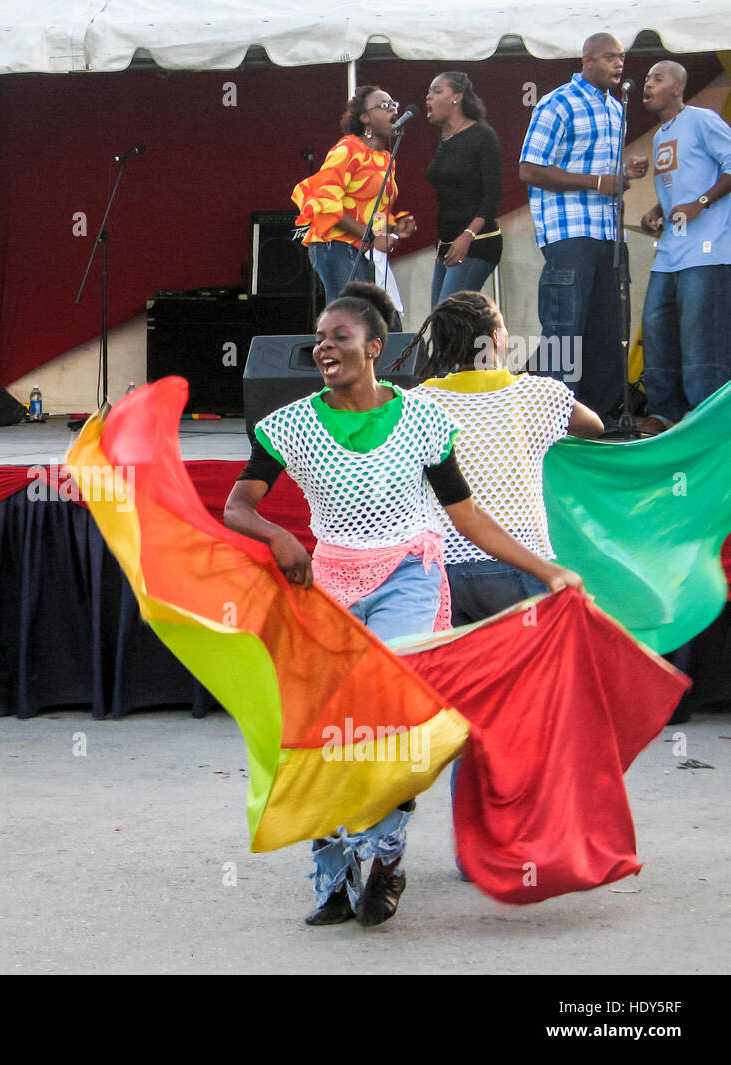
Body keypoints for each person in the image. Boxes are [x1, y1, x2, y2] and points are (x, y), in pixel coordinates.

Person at [223, 282, 583, 928]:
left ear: (374, 348)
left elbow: (467, 517)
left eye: (340, 336)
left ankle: (386, 861)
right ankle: (332, 871)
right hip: (330, 584)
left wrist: (546, 569)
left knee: (391, 721)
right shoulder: (293, 425)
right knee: (326, 729)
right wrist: (279, 536)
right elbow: (238, 505)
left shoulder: (423, 421)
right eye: (321, 337)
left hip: (411, 580)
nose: (325, 346)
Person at [401, 291, 604, 625]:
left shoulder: (418, 403)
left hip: (442, 568)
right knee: (534, 669)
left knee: (465, 674)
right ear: (496, 337)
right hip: (519, 559)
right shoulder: (539, 393)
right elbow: (593, 426)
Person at [518, 32, 650, 419]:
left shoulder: (616, 109)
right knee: (565, 330)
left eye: (622, 58)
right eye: (610, 57)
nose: (619, 65)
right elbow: (529, 168)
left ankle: (599, 419)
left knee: (608, 332)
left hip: (609, 233)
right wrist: (597, 182)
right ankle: (554, 422)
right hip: (569, 233)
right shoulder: (557, 103)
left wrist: (624, 173)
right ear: (587, 60)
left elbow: (602, 173)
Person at [636, 60, 731, 434]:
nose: (647, 84)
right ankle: (664, 412)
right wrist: (658, 209)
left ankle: (705, 417)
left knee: (699, 335)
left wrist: (701, 204)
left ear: (677, 88)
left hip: (708, 250)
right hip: (671, 252)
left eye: (657, 79)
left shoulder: (702, 119)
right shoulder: (661, 135)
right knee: (657, 329)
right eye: (647, 78)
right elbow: (683, 185)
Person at [292, 86, 417, 306]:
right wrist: (371, 237)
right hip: (336, 245)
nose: (393, 110)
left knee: (381, 320)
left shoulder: (387, 159)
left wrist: (392, 230)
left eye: (393, 104)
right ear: (365, 118)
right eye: (384, 105)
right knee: (351, 316)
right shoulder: (348, 149)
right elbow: (325, 200)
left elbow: (372, 209)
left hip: (364, 249)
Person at [425, 72, 503, 306]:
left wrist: (468, 235)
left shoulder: (482, 135)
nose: (428, 97)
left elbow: (492, 195)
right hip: (448, 243)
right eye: (428, 92)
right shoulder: (445, 138)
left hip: (478, 241)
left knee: (447, 316)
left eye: (437, 91)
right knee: (439, 320)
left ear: (457, 98)